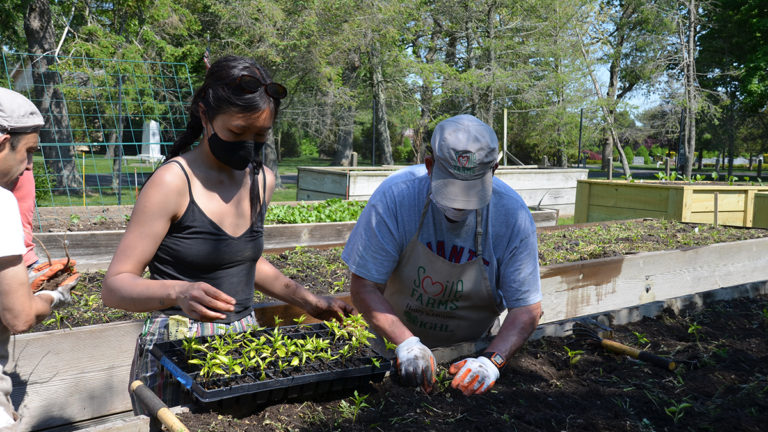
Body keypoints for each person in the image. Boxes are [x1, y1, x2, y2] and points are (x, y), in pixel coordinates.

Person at [101, 55, 354, 411]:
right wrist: (179, 290)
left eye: (260, 135)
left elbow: (245, 260)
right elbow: (114, 287)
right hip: (178, 348)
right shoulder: (172, 182)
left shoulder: (262, 180)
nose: (249, 145)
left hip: (240, 342)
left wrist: (308, 301)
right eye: (237, 132)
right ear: (205, 116)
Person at [342, 114, 542, 396]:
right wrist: (407, 344)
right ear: (429, 165)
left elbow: (526, 309)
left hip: (471, 353)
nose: (459, 206)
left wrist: (491, 362)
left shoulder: (513, 216)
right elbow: (364, 286)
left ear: (494, 170)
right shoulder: (397, 197)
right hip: (390, 350)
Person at [0, 87, 80, 429]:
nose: (29, 165)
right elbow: (17, 317)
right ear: (3, 143)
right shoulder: (2, 203)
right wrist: (53, 296)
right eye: (29, 152)